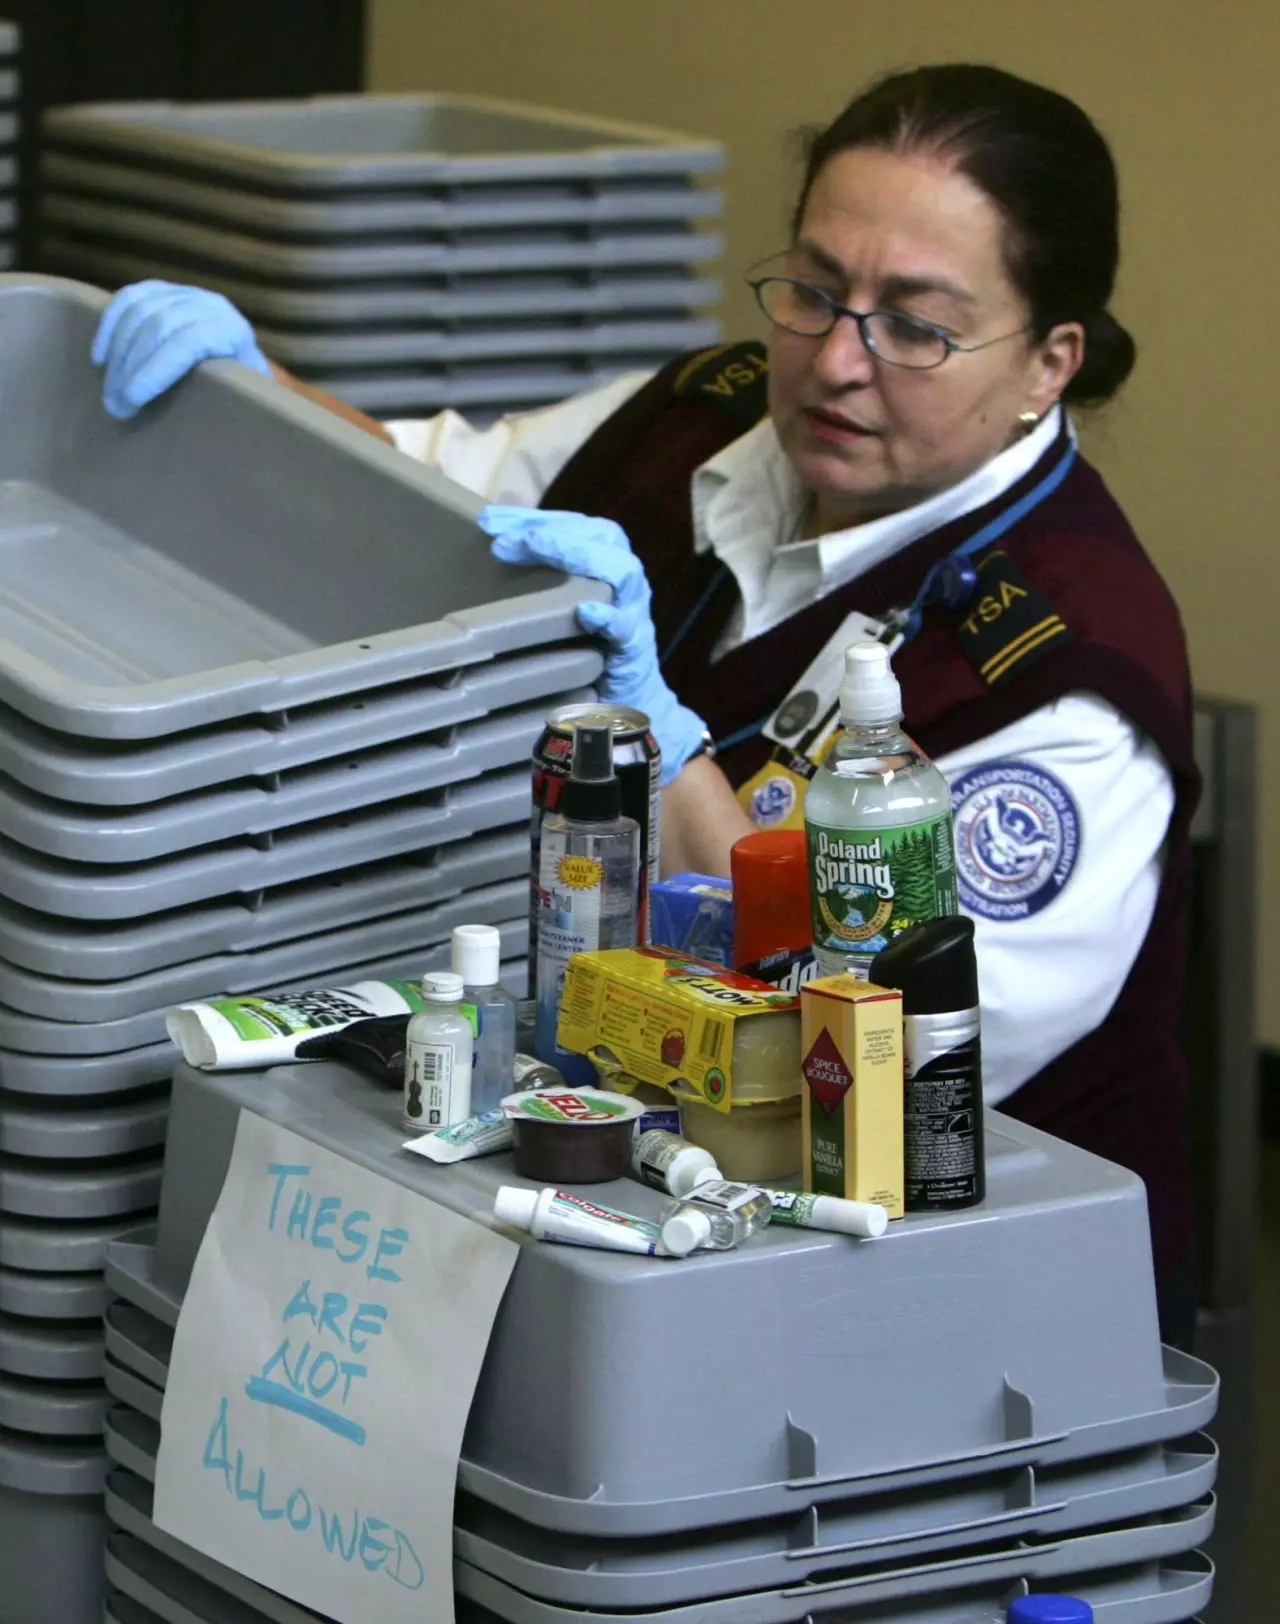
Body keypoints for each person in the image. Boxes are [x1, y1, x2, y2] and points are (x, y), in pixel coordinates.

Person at [91, 64, 1199, 1344]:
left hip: (935, 1299)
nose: (836, 361)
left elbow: (872, 1074)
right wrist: (247, 391)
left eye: (914, 325)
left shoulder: (1062, 676)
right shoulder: (706, 414)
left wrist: (659, 741)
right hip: (629, 1184)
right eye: (812, 291)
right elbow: (435, 490)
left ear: (1046, 361)